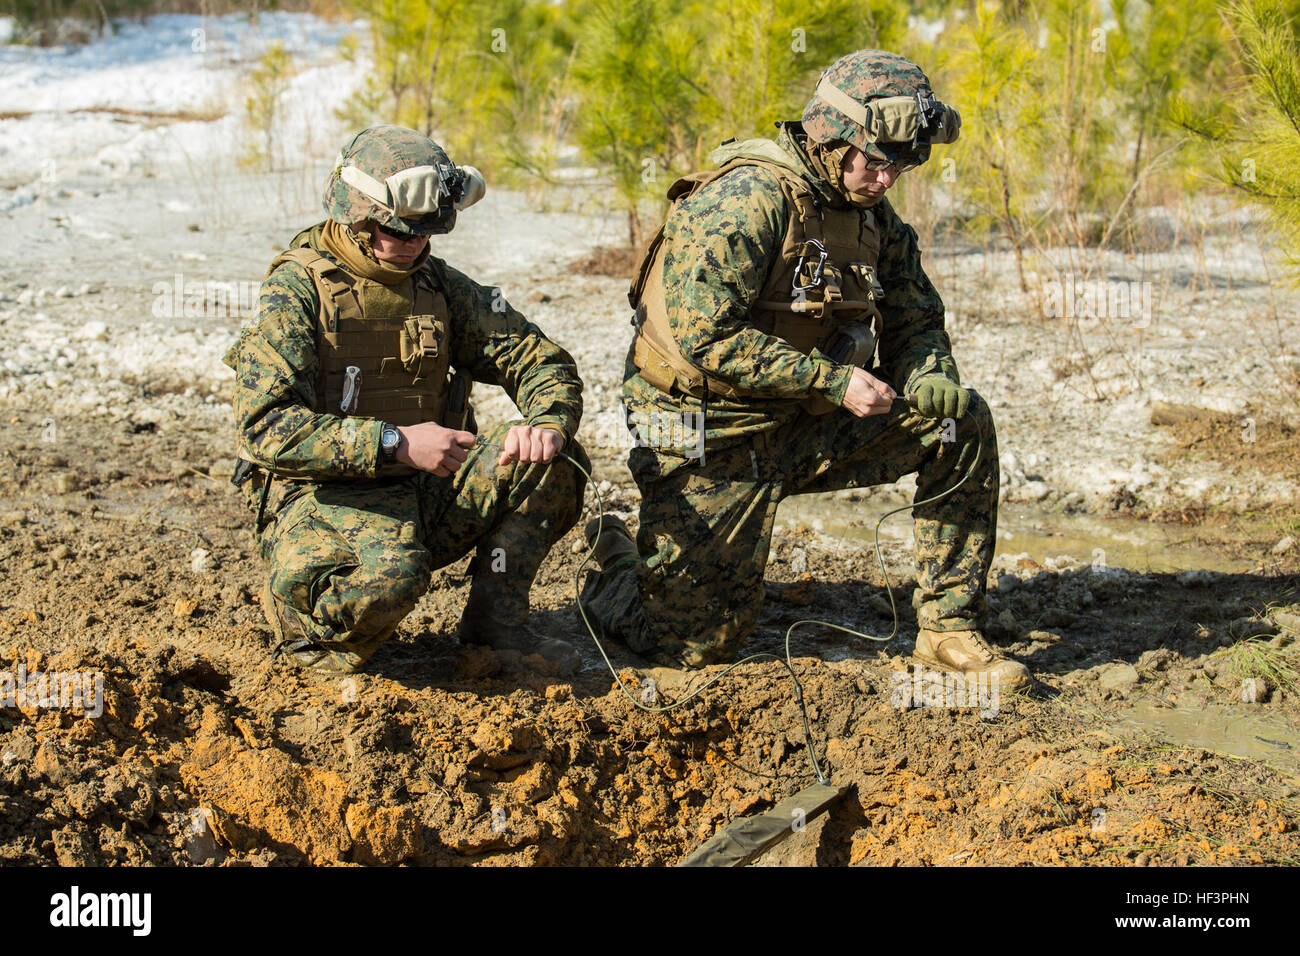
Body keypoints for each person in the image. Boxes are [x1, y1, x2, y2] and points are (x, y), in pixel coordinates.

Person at [581, 50, 1029, 690]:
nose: (887, 179)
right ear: (831, 135)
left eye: (901, 165)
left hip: (804, 421)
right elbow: (707, 337)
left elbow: (915, 316)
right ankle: (618, 565)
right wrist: (836, 381)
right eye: (876, 161)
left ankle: (949, 626)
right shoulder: (745, 201)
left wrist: (929, 370)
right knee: (692, 647)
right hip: (711, 433)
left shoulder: (872, 216)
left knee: (960, 422)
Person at [224, 125, 588, 675]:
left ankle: (496, 629)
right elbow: (264, 426)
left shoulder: (438, 286)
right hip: (324, 496)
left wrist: (546, 421)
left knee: (556, 464)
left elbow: (541, 359)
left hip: (426, 483)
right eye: (402, 232)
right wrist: (393, 442)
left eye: (428, 233)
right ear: (360, 217)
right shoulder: (298, 291)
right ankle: (311, 634)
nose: (416, 244)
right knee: (391, 582)